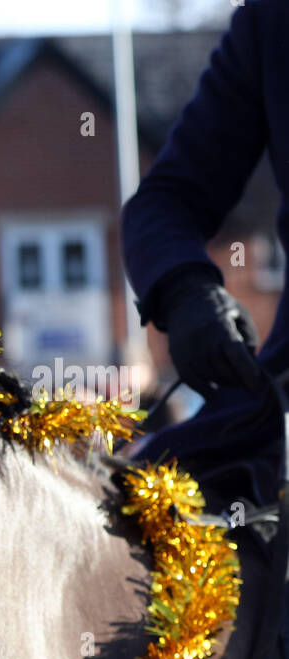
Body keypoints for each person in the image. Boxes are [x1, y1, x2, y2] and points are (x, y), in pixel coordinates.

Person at [121, 0, 286, 491]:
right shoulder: (270, 23)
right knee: (142, 506)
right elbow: (167, 199)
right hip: (280, 401)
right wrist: (185, 285)